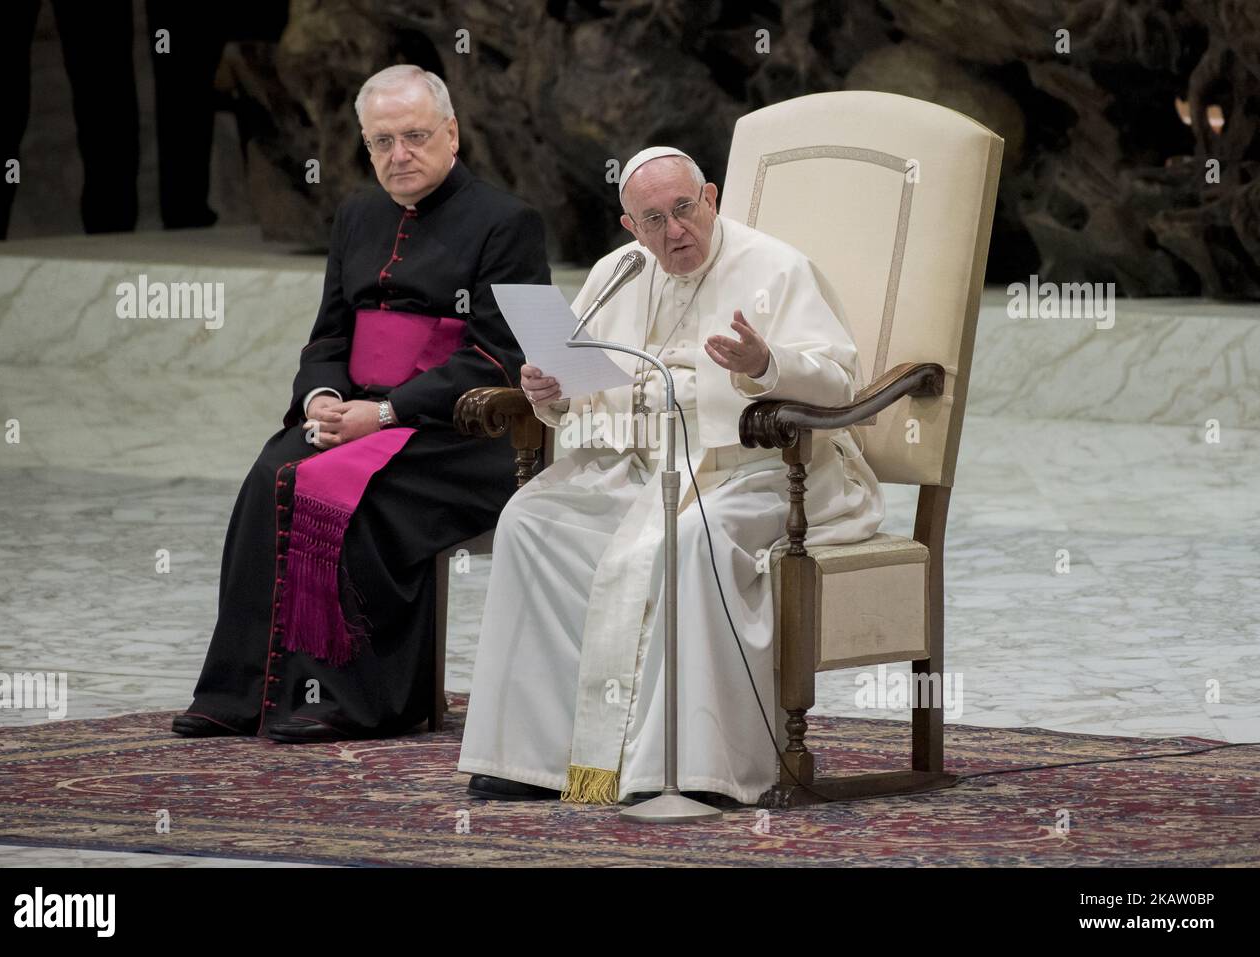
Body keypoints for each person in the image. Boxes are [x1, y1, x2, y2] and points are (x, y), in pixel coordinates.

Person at [457, 147, 883, 804]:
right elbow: (583, 389)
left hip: (752, 471)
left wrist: (766, 362)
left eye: (684, 209)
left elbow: (838, 379)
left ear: (710, 197)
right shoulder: (618, 273)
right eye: (652, 220)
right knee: (531, 521)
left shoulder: (778, 268)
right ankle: (535, 757)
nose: (673, 231)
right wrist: (550, 389)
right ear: (631, 227)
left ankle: (695, 768)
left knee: (691, 539)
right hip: (639, 464)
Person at [173, 65, 549, 743]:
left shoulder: (507, 222)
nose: (398, 154)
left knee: (354, 494)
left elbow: (499, 355)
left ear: (452, 134)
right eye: (381, 141)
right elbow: (330, 333)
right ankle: (243, 692)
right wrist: (321, 396)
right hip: (354, 413)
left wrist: (388, 412)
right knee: (270, 476)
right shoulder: (356, 213)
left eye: (414, 136)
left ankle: (360, 697)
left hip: (459, 430)